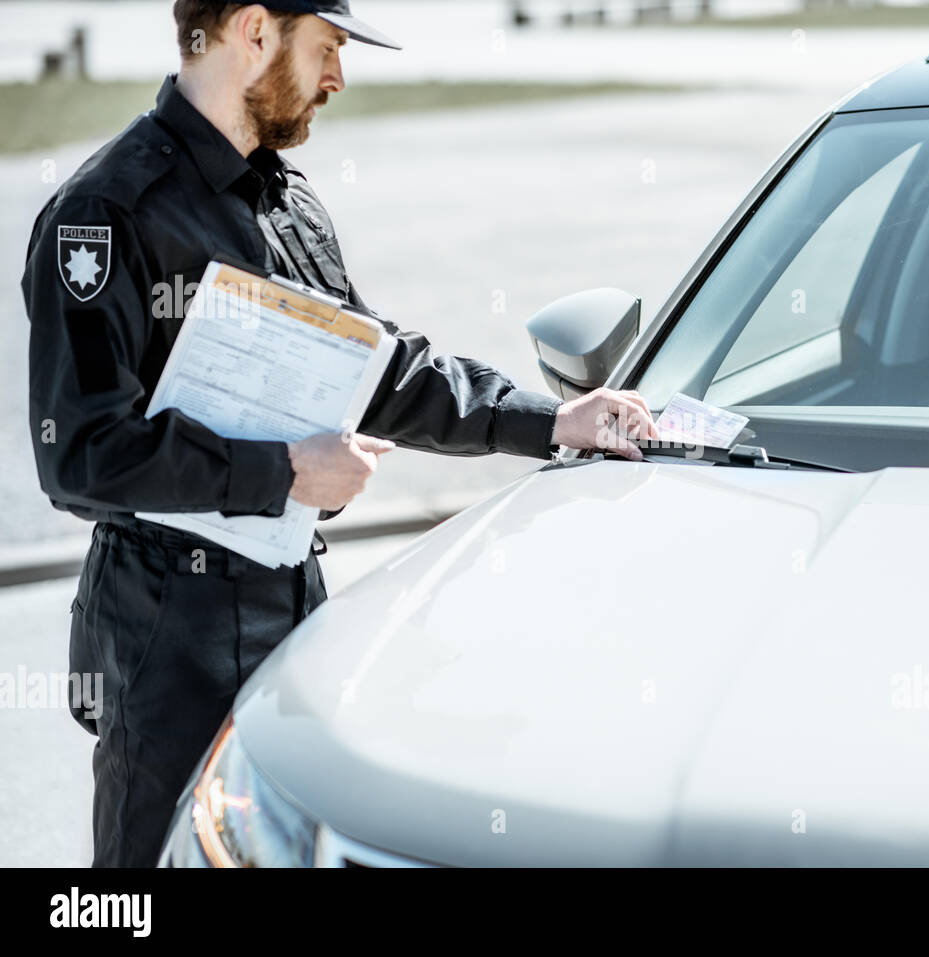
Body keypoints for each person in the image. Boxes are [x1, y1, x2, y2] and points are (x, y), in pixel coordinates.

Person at [21, 0, 658, 867]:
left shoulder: (287, 200)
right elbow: (80, 454)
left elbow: (382, 370)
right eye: (326, 48)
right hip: (162, 640)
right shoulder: (105, 214)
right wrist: (280, 471)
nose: (337, 77)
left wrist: (551, 421)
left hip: (295, 615)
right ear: (253, 33)